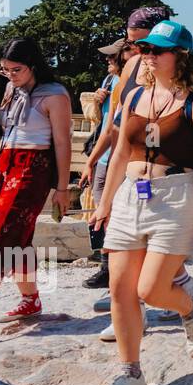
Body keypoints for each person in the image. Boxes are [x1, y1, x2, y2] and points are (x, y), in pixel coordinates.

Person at [89, 21, 193, 385]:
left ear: (179, 57)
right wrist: (106, 202)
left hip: (177, 195)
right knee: (120, 289)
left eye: (155, 50)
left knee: (151, 289)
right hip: (132, 193)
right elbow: (120, 154)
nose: (146, 54)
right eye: (144, 48)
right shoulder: (133, 97)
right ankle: (131, 373)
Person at [0, 39, 72, 338]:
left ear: (33, 65)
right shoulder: (10, 89)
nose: (10, 75)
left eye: (16, 69)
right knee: (18, 237)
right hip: (7, 166)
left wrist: (62, 187)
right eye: (4, 70)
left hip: (33, 169)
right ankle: (30, 299)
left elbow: (62, 142)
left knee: (0, 235)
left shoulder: (55, 95)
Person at [79, 38, 137, 290]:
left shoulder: (131, 86)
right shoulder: (108, 83)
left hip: (125, 159)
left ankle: (117, 268)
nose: (108, 60)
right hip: (105, 158)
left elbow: (113, 129)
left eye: (112, 57)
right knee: (103, 214)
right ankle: (106, 266)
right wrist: (91, 161)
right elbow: (101, 124)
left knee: (119, 215)